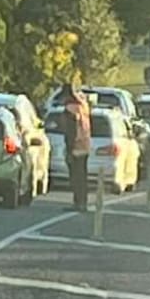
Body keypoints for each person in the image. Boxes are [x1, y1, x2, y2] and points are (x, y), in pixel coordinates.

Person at [59, 83, 92, 211]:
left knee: (76, 177)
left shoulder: (70, 109)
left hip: (75, 146)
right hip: (85, 145)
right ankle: (82, 202)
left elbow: (71, 131)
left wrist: (69, 149)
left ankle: (78, 203)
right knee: (82, 176)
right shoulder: (83, 106)